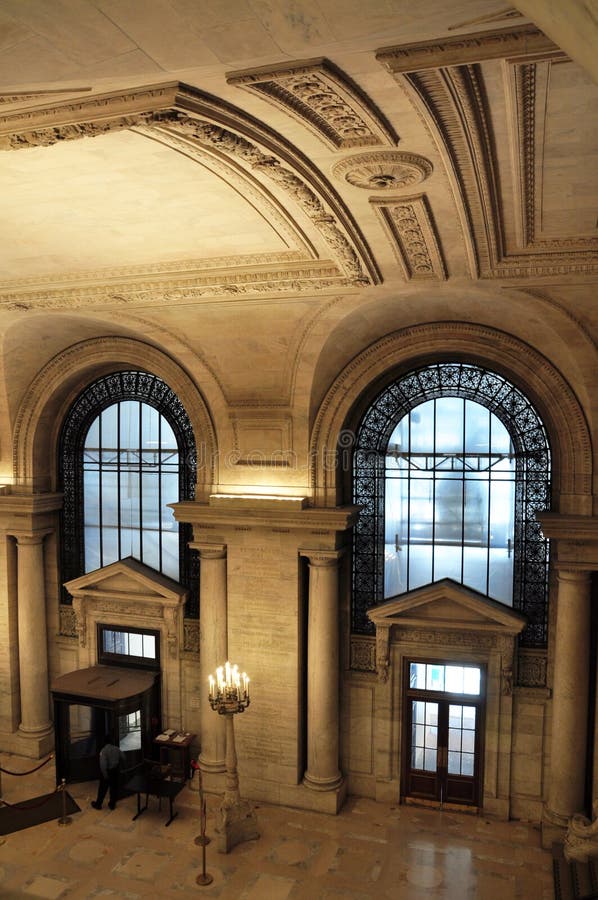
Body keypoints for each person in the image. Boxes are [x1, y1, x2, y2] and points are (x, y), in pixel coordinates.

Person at [91, 735, 125, 811]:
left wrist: (105, 775)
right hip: (115, 771)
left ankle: (98, 804)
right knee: (114, 788)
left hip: (107, 772)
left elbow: (103, 765)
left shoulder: (104, 751)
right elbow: (123, 757)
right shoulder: (117, 749)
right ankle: (112, 804)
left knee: (102, 789)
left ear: (104, 742)